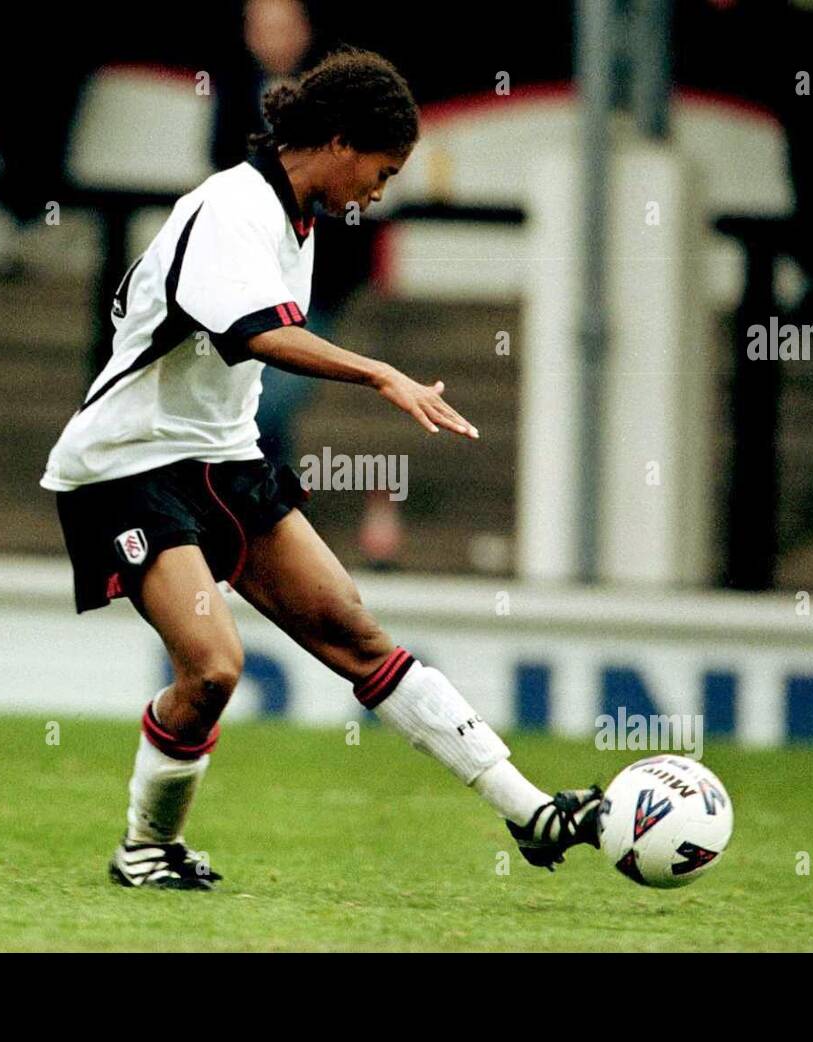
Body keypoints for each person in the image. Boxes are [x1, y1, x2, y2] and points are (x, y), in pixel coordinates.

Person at [41, 46, 602, 890]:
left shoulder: (293, 214)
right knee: (214, 668)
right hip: (128, 466)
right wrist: (381, 373)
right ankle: (146, 850)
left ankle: (530, 813)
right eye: (382, 169)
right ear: (340, 142)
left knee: (354, 631)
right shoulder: (231, 206)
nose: (381, 191)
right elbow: (254, 333)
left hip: (221, 457)